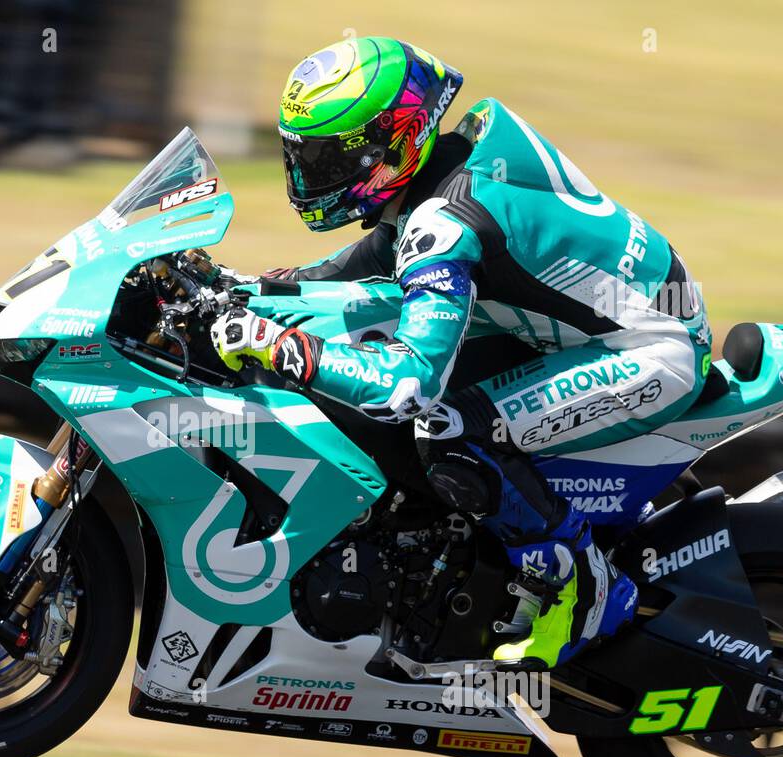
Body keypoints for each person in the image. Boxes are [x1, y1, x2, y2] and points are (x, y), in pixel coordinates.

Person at [210, 36, 711, 668]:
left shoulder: (443, 220)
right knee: (368, 340)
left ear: (393, 143)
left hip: (650, 349)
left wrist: (282, 347)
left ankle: (578, 583)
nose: (310, 177)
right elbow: (341, 276)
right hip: (581, 328)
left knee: (443, 425)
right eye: (301, 157)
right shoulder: (443, 169)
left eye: (331, 159)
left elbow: (409, 384)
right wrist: (230, 288)